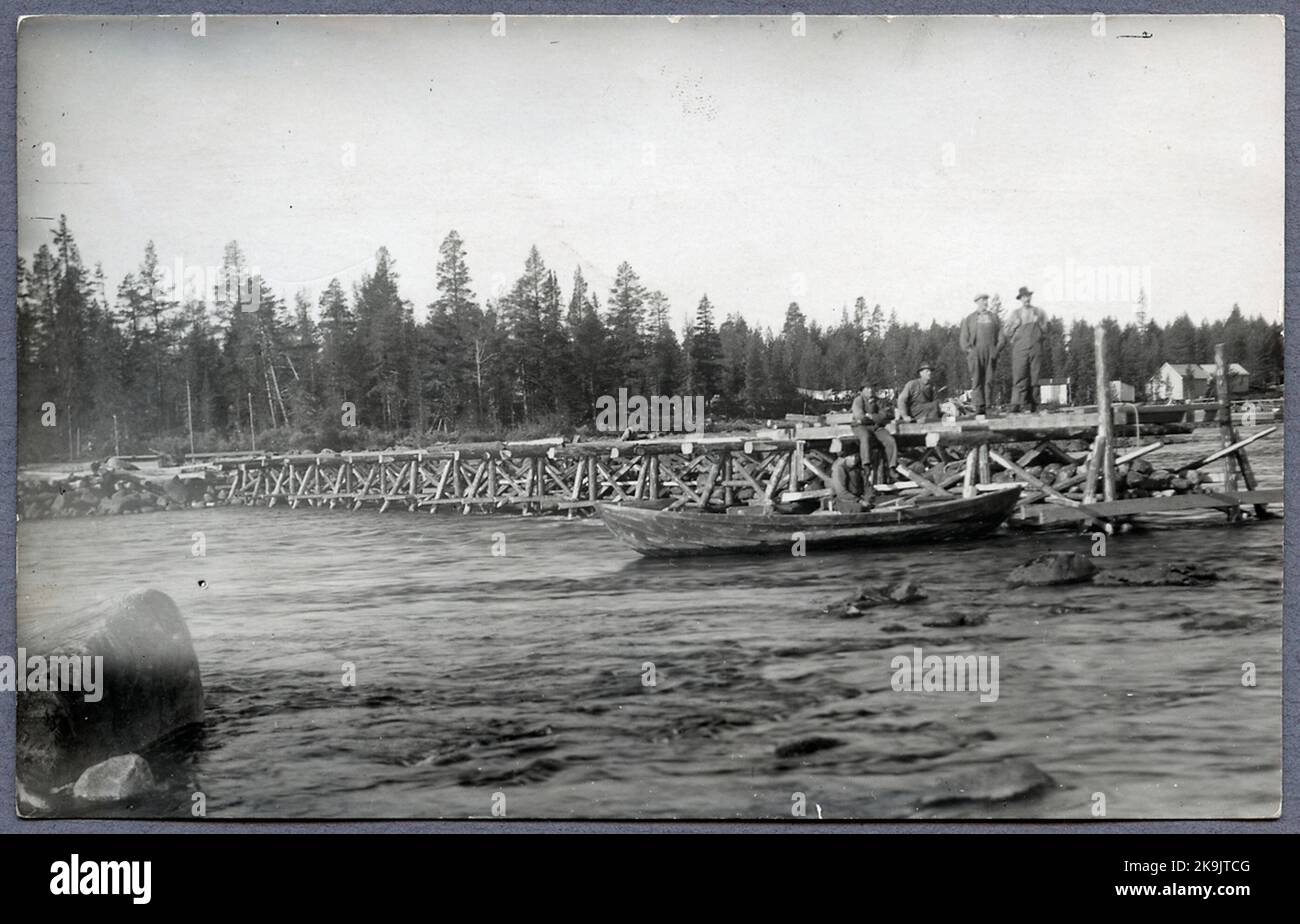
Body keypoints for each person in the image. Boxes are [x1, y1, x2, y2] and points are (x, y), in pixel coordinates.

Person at [1003, 285, 1048, 413]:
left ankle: (1035, 404)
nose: (1026, 299)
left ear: (1030, 297)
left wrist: (1038, 330)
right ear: (1020, 299)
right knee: (1020, 374)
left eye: (1028, 296)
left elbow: (1046, 330)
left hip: (1035, 347)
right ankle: (1018, 404)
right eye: (1023, 297)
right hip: (1020, 348)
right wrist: (1015, 326)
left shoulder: (1039, 312)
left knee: (1035, 375)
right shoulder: (1015, 314)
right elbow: (1006, 332)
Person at [959, 293, 1001, 417]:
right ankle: (979, 406)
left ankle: (988, 405)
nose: (985, 303)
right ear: (976, 302)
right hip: (975, 353)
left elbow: (1001, 336)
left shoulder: (994, 318)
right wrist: (969, 351)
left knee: (989, 379)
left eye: (986, 301)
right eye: (982, 301)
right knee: (977, 380)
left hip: (990, 352)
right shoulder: (970, 319)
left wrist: (996, 349)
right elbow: (963, 338)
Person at [850, 381, 897, 483]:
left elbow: (884, 415)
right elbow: (860, 417)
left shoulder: (878, 401)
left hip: (875, 427)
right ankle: (866, 464)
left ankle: (892, 466)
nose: (870, 390)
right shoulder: (858, 400)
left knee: (890, 440)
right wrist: (874, 417)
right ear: (862, 391)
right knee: (865, 437)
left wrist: (872, 417)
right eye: (867, 388)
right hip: (861, 426)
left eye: (871, 388)